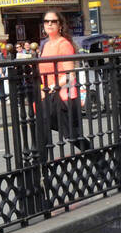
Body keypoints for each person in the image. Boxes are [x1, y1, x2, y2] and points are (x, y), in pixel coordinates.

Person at [37, 9, 94, 154]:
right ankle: (39, 170)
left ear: (60, 25)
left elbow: (70, 75)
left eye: (53, 21)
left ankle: (101, 164)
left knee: (73, 136)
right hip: (48, 96)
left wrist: (53, 86)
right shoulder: (45, 45)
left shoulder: (64, 44)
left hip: (62, 97)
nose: (49, 24)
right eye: (46, 21)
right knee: (41, 133)